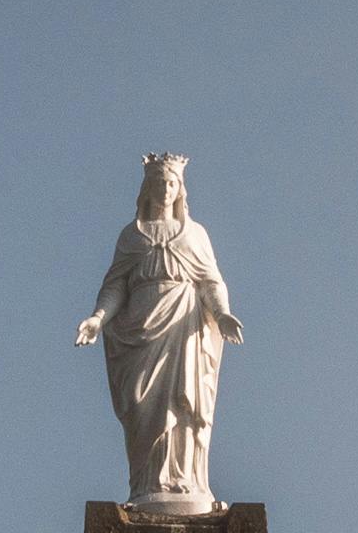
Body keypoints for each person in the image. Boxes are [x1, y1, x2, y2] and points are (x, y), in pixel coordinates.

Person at [74, 154, 243, 513]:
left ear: (180, 189)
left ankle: (188, 481)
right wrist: (98, 318)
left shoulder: (194, 234)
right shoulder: (132, 235)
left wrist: (222, 314)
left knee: (185, 403)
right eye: (159, 182)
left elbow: (211, 281)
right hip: (140, 328)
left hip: (183, 324)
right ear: (147, 188)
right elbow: (116, 285)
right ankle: (146, 484)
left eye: (171, 183)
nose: (165, 189)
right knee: (143, 407)